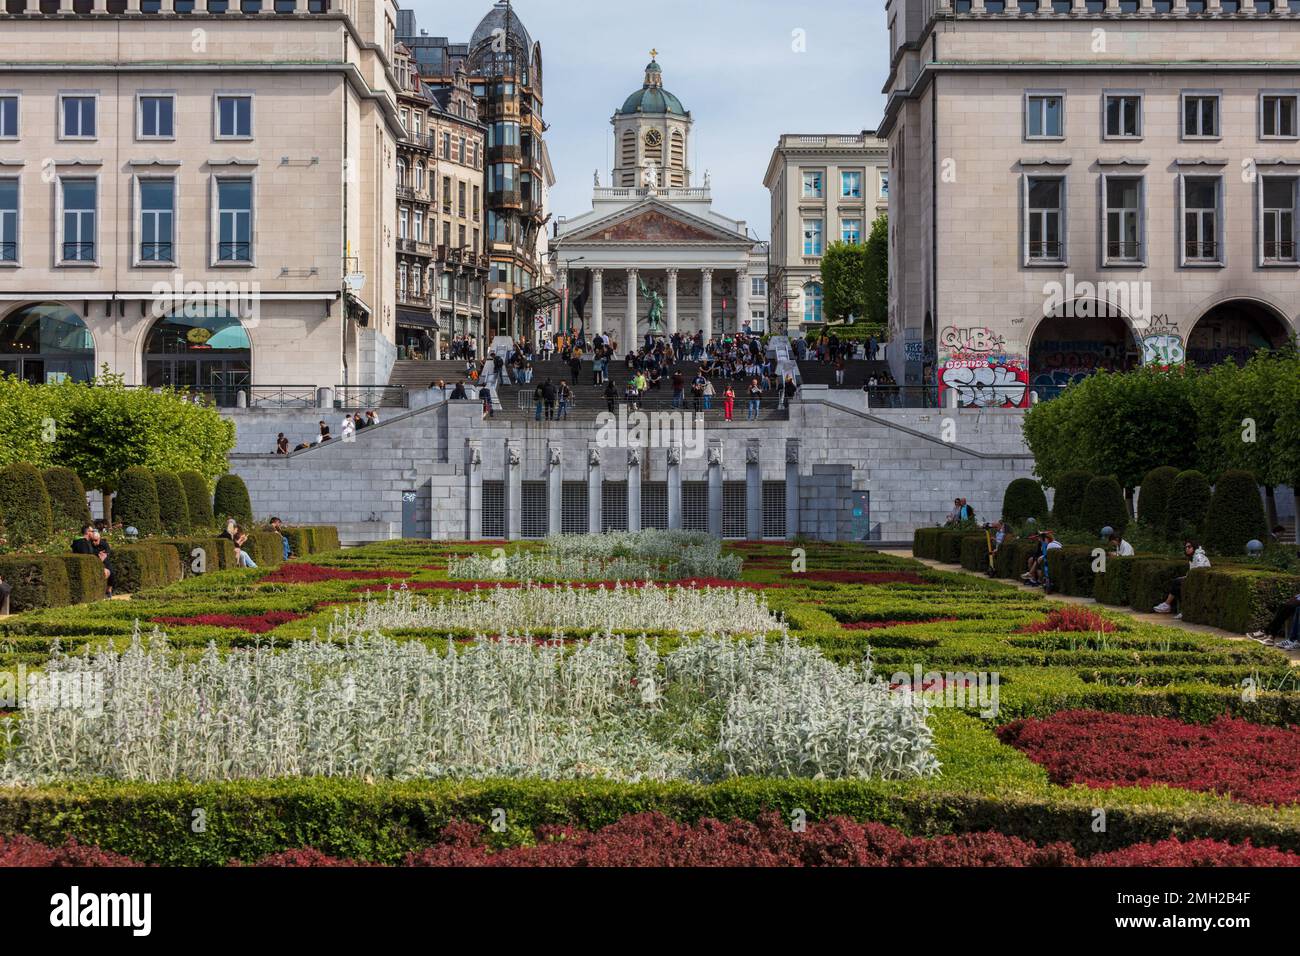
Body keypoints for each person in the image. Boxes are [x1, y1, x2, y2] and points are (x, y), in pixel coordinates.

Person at [1154, 540, 1210, 618]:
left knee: (1177, 582)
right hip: (1194, 579)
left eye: (1189, 547)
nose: (1187, 548)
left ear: (1194, 547)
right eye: (1186, 547)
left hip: (1199, 580)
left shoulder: (1198, 556)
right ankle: (1179, 609)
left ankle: (1167, 604)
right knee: (1178, 585)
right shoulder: (1193, 556)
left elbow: (1199, 571)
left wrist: (1187, 578)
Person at [72, 523, 114, 597]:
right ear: (88, 532)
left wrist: (98, 553)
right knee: (106, 572)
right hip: (88, 567)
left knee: (109, 570)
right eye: (92, 531)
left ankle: (104, 592)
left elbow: (90, 552)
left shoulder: (86, 542)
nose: (93, 532)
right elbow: (86, 556)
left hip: (92, 565)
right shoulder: (81, 542)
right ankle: (101, 593)